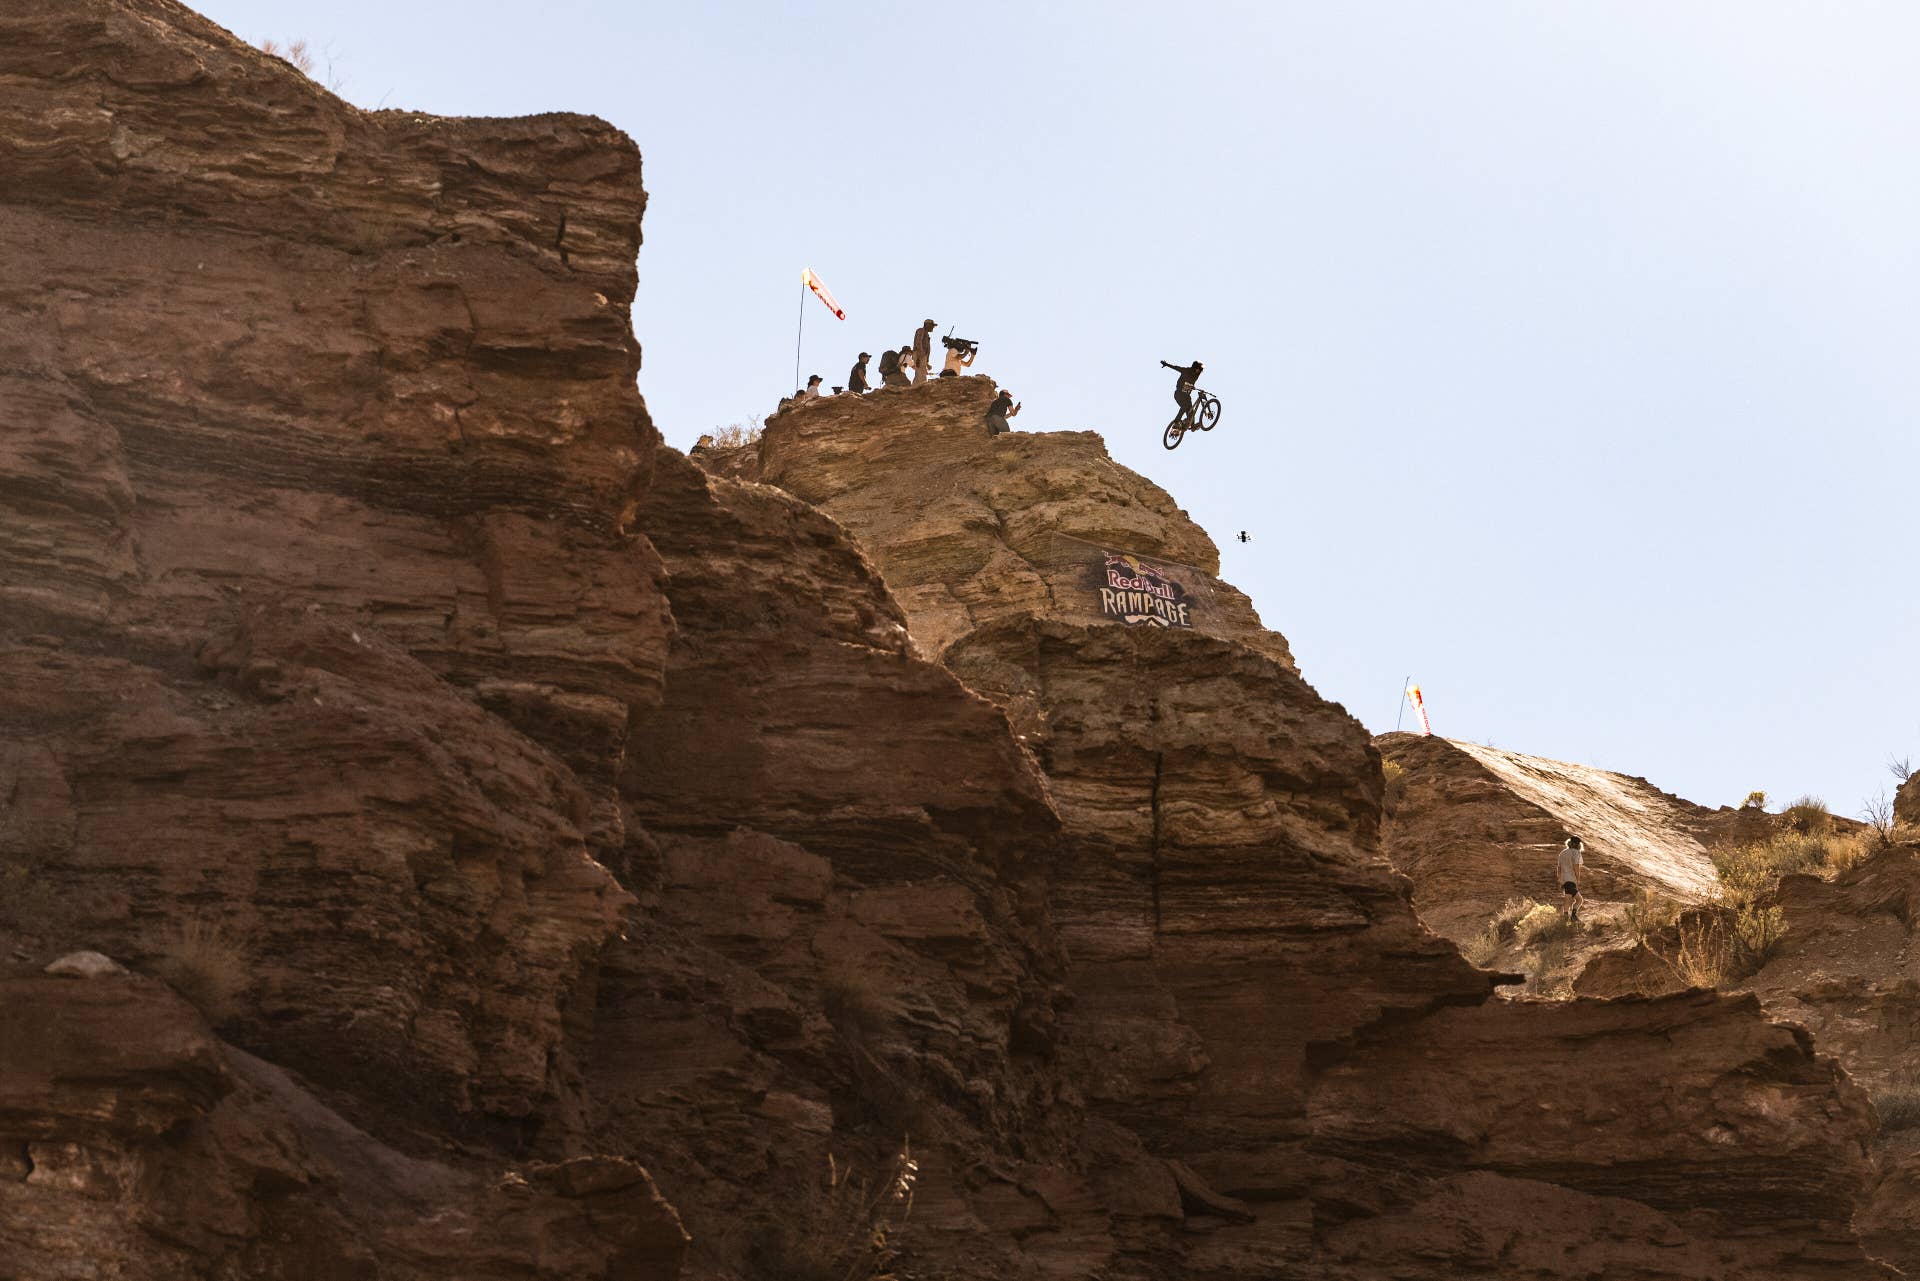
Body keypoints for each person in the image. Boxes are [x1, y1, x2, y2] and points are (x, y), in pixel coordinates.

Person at [1557, 836, 1585, 922]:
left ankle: (1567, 917)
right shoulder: (1576, 853)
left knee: (1569, 899)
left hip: (1564, 879)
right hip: (1571, 879)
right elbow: (1576, 867)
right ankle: (1572, 917)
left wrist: (1560, 880)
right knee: (1578, 900)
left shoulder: (1562, 852)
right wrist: (1578, 879)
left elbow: (1558, 868)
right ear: (1578, 845)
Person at [911, 319, 936, 386]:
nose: (933, 327)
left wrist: (926, 363)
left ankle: (913, 390)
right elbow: (918, 342)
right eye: (932, 326)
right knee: (921, 375)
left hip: (921, 355)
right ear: (927, 325)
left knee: (918, 375)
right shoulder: (921, 331)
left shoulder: (926, 333)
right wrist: (920, 355)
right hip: (920, 355)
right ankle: (923, 389)